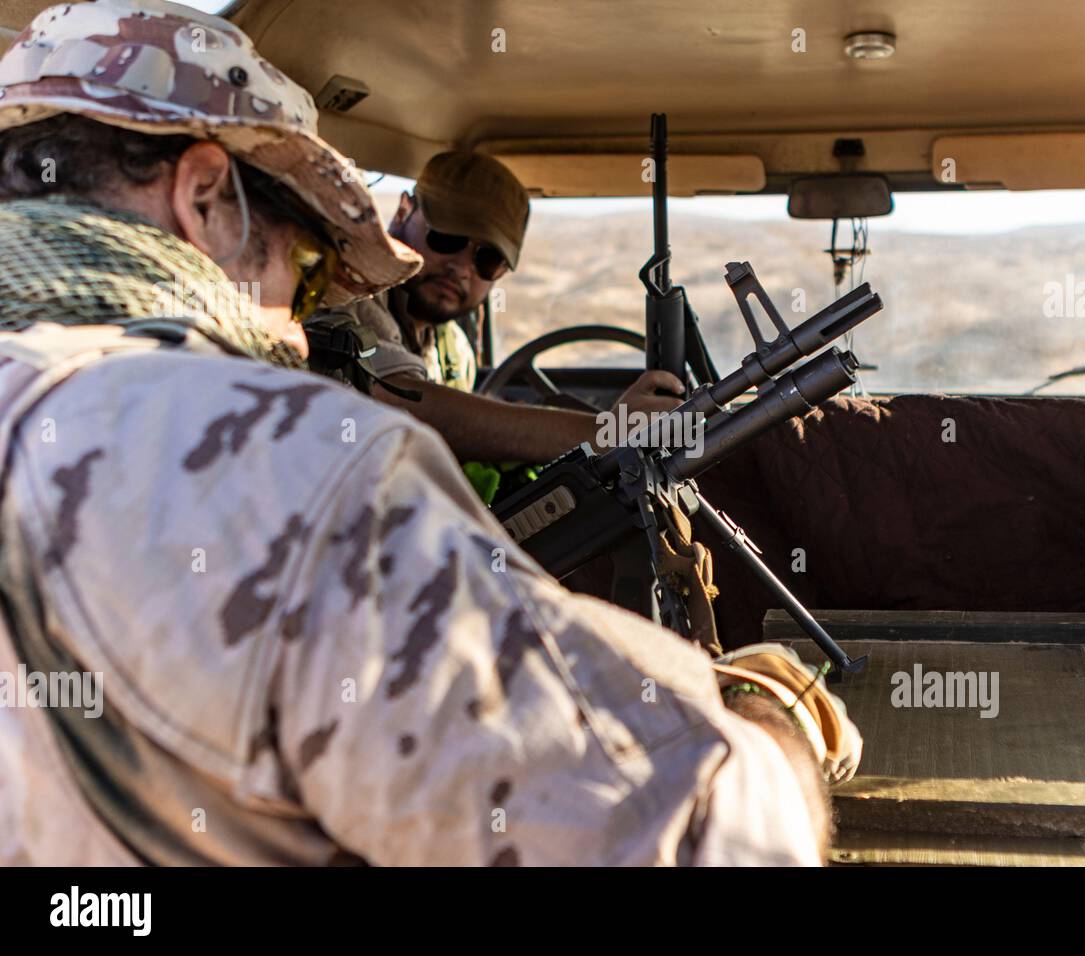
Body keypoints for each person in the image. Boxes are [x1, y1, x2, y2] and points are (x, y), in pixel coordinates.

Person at [0, 0, 854, 867]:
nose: (298, 334)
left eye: (489, 260)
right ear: (206, 196)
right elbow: (715, 843)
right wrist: (769, 718)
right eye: (302, 277)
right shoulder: (297, 468)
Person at [309, 150, 686, 467]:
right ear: (403, 212)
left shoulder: (454, 349)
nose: (462, 267)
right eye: (447, 238)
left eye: (487, 259)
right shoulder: (346, 296)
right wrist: (604, 432)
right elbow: (401, 402)